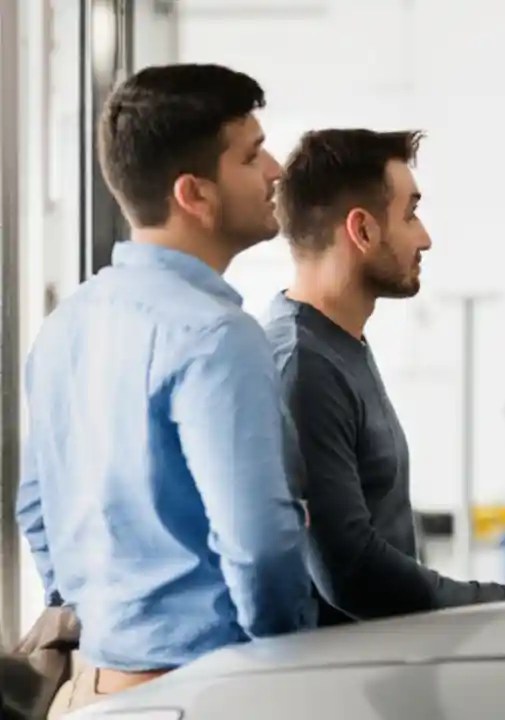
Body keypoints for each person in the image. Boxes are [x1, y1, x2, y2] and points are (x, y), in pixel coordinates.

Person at [16, 64, 315, 716]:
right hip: (203, 692)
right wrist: (293, 663)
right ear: (194, 194)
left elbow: (36, 509)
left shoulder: (68, 323)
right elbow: (259, 547)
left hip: (92, 693)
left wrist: (107, 620)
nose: (274, 172)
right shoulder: (215, 335)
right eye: (251, 155)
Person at [263, 128, 505, 627]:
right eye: (410, 214)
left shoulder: (337, 347)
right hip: (334, 669)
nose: (425, 238)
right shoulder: (304, 367)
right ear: (362, 230)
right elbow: (350, 573)